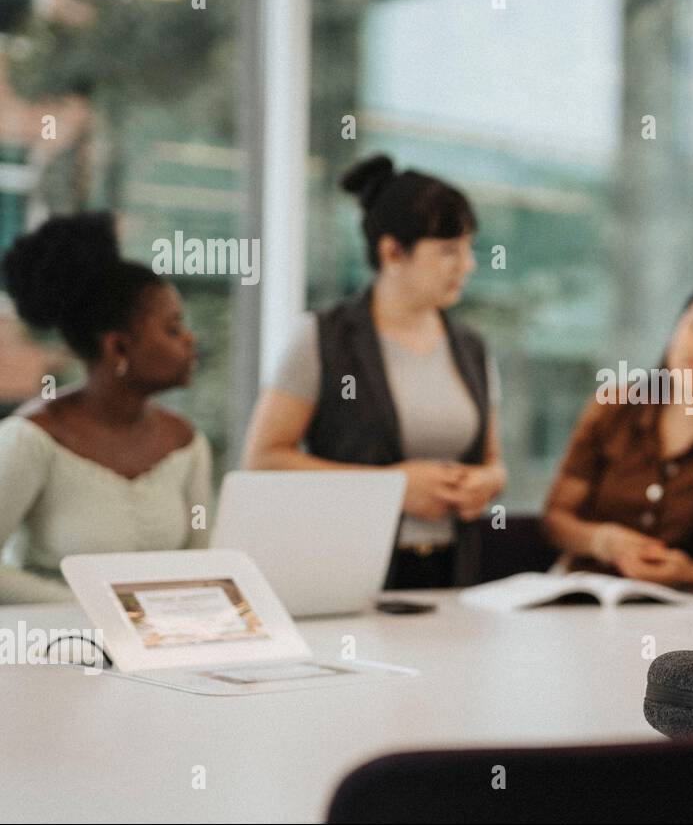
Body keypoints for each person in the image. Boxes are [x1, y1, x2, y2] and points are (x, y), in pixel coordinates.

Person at [243, 155, 505, 589]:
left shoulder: (472, 348)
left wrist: (486, 482)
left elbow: (495, 462)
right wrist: (390, 487)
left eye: (469, 248)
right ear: (392, 252)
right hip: (351, 576)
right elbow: (264, 461)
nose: (468, 264)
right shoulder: (321, 339)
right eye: (448, 250)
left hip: (455, 577)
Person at [0, 213, 208, 603]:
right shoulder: (30, 438)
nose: (190, 340)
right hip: (55, 649)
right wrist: (96, 608)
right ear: (119, 347)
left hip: (161, 652)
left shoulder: (186, 441)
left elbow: (203, 566)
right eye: (173, 328)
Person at [543, 282, 693, 587]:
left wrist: (691, 574)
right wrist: (601, 541)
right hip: (586, 598)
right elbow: (555, 519)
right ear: (676, 328)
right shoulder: (612, 409)